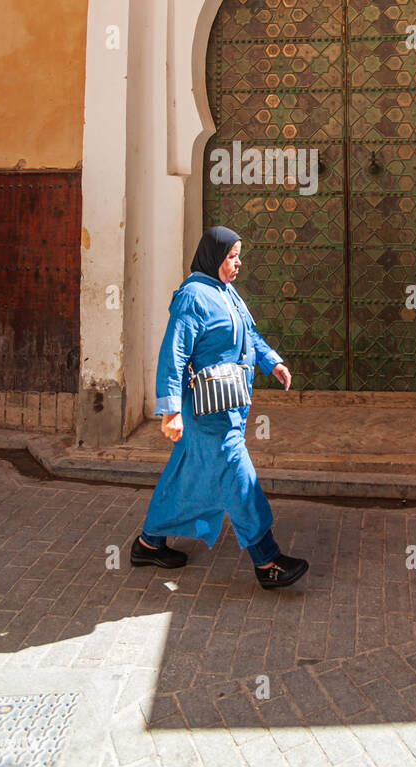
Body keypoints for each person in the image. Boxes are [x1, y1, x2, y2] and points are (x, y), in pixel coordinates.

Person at [130, 225, 309, 590]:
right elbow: (174, 353)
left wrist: (271, 361)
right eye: (232, 256)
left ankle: (149, 543)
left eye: (239, 255)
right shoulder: (193, 296)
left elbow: (249, 333)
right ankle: (267, 559)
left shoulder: (224, 291)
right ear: (214, 257)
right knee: (238, 477)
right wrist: (170, 410)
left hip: (228, 406)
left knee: (185, 473)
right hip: (207, 413)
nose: (238, 262)